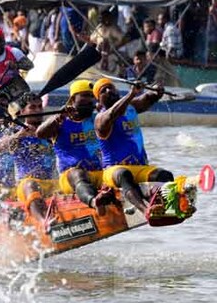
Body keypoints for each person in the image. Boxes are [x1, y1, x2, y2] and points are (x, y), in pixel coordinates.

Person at [93, 78, 172, 218]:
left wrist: (156, 90)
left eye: (111, 87)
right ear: (99, 101)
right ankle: (145, 210)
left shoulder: (131, 107)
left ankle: (162, 206)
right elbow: (113, 114)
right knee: (124, 175)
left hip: (139, 167)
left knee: (165, 175)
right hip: (114, 171)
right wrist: (131, 94)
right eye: (103, 91)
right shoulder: (100, 118)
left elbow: (147, 98)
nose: (109, 91)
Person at [36, 81, 109, 208]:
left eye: (91, 96)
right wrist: (58, 116)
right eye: (84, 96)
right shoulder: (60, 121)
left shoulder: (98, 119)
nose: (89, 100)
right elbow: (40, 134)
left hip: (99, 173)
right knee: (77, 174)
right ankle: (94, 202)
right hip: (70, 177)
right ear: (73, 99)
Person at [0, 96, 59, 225]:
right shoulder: (15, 131)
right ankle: (44, 221)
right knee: (30, 184)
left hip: (52, 183)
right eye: (32, 107)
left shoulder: (50, 130)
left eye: (40, 107)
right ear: (22, 112)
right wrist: (20, 135)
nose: (38, 110)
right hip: (27, 186)